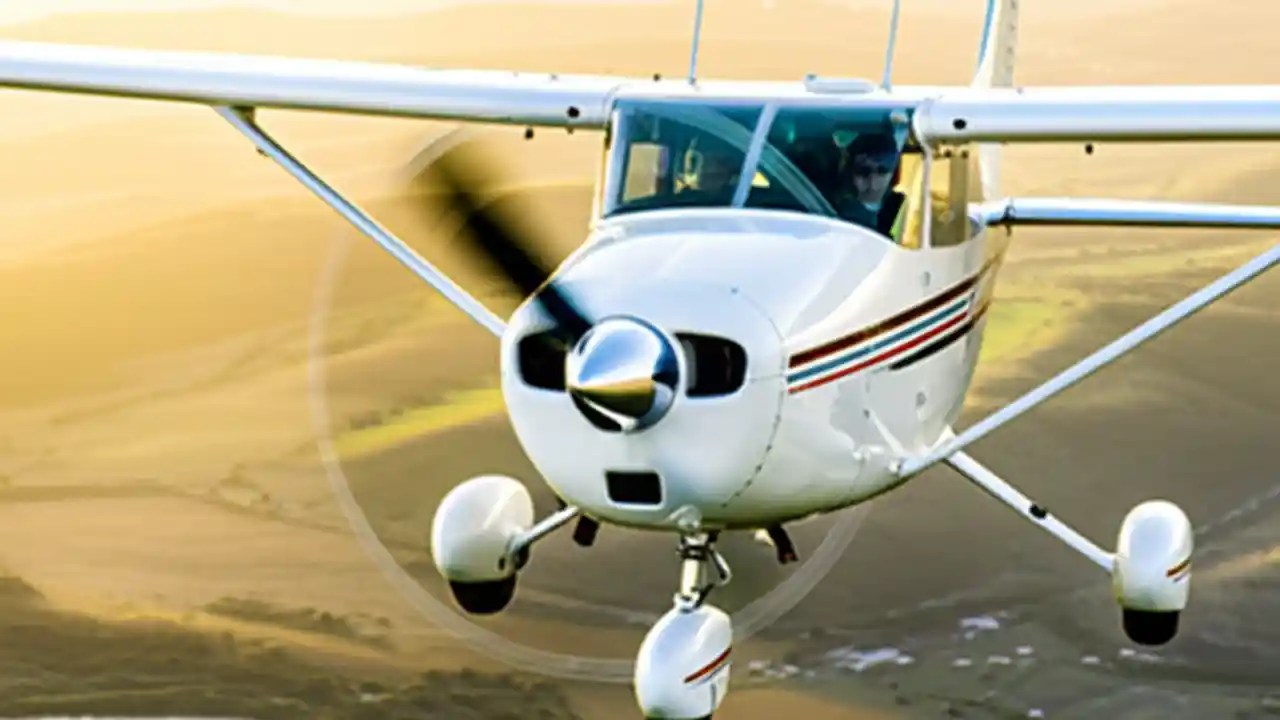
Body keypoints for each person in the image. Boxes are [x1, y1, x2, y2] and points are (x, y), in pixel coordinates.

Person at [836, 132, 905, 237]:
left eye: (882, 171)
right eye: (863, 171)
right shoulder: (834, 214)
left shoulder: (907, 210)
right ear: (849, 173)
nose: (873, 181)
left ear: (894, 174)